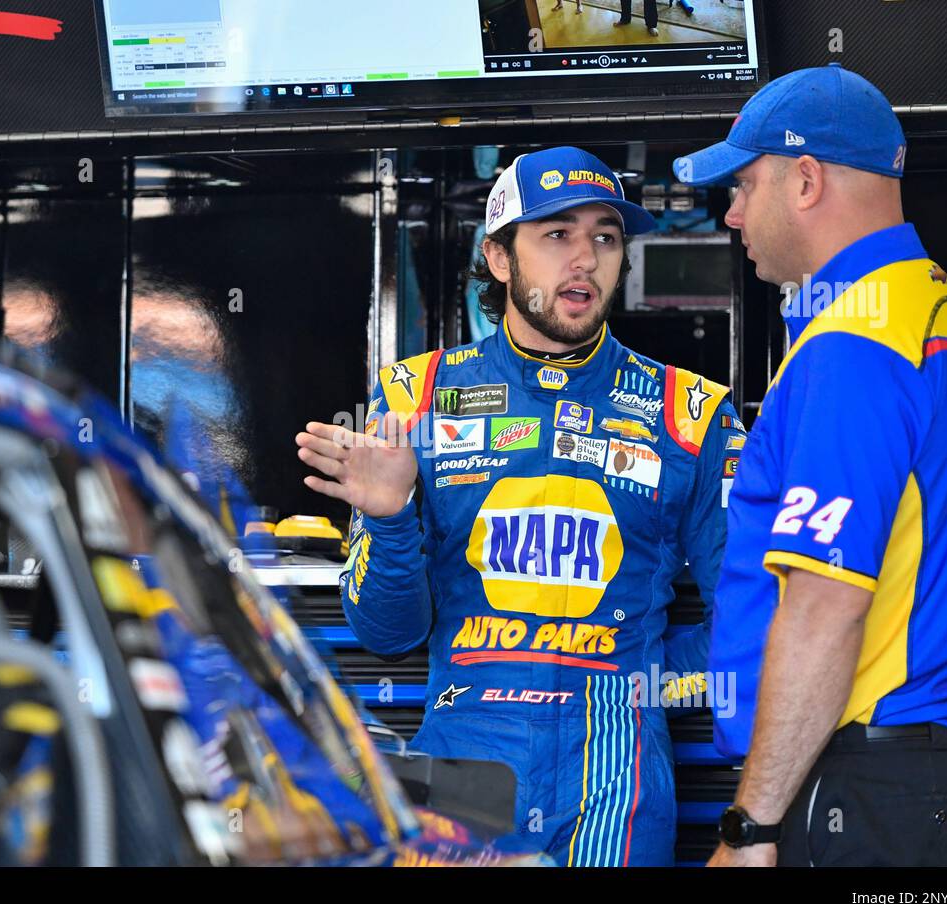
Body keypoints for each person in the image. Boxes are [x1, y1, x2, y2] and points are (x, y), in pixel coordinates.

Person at [296, 146, 746, 865]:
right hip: (463, 771)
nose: (586, 259)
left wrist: (643, 686)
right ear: (500, 258)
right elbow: (387, 634)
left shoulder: (689, 412)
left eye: (605, 237)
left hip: (615, 782)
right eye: (557, 234)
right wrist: (388, 517)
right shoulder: (413, 398)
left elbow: (749, 619)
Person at [675, 64, 947, 866]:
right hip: (920, 785)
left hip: (859, 789)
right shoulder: (944, 317)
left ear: (803, 180)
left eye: (743, 185)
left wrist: (752, 827)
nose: (730, 214)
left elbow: (826, 601)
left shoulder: (857, 342)